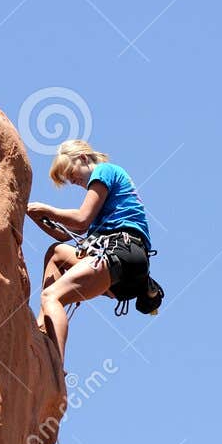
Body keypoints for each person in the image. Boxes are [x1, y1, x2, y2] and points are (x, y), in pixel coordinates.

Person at [25, 140, 162, 368]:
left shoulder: (104, 171)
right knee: (57, 253)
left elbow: (81, 219)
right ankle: (41, 326)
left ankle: (55, 369)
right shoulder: (106, 196)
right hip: (125, 268)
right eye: (68, 180)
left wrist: (48, 210)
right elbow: (67, 235)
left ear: (83, 158)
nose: (73, 181)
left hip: (121, 252)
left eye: (71, 173)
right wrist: (36, 217)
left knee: (51, 296)